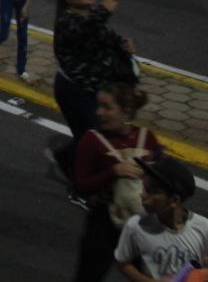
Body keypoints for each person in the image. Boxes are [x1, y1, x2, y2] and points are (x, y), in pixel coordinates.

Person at [52, 0, 139, 187]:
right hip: (75, 90)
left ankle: (66, 158)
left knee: (92, 136)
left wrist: (124, 44)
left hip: (96, 88)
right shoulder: (66, 22)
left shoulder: (88, 14)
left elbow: (106, 35)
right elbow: (89, 28)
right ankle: (81, 186)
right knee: (93, 141)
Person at [72, 83, 162, 282]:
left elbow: (162, 180)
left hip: (140, 222)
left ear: (126, 112)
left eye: (107, 107)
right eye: (99, 106)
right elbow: (81, 185)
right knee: (89, 275)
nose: (99, 112)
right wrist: (113, 171)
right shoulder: (91, 141)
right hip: (103, 223)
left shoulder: (147, 140)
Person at [114, 157, 208, 282]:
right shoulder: (135, 225)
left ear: (174, 201)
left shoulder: (205, 228)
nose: (142, 194)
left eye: (152, 191)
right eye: (144, 188)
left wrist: (200, 277)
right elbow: (122, 263)